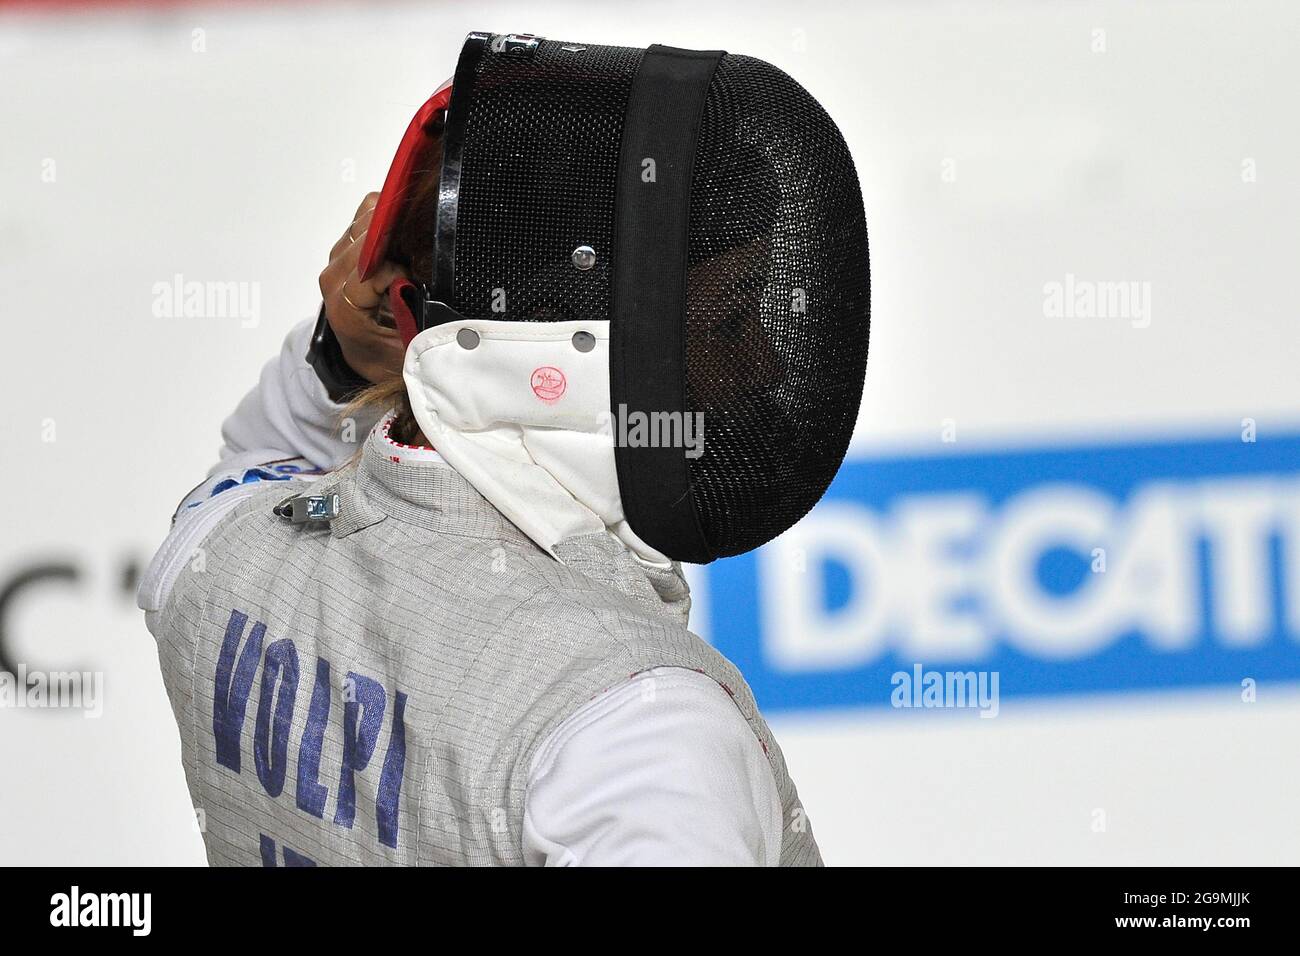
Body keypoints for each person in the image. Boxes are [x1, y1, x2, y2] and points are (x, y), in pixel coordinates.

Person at [139, 33, 868, 867]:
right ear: (564, 352)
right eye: (729, 323)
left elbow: (260, 453)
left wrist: (341, 356)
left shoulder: (214, 559)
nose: (765, 364)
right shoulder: (641, 736)